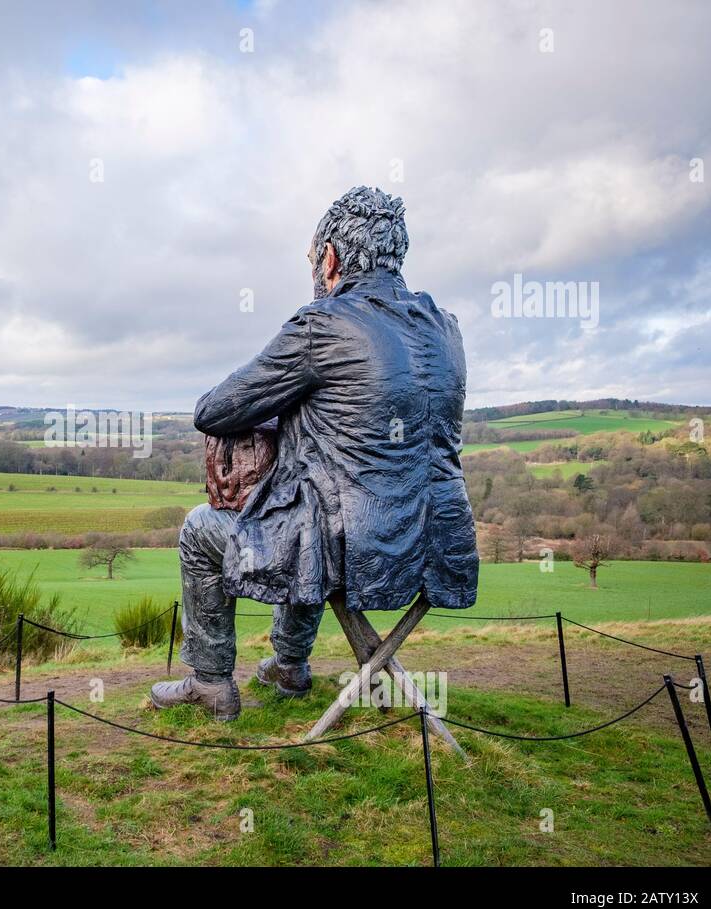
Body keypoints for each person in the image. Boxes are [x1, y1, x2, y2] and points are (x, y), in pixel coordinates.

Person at [151, 186, 479, 721]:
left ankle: (209, 682)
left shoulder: (321, 325)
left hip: (351, 548)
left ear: (329, 257)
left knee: (205, 529)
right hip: (440, 542)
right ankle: (289, 665)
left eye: (314, 259)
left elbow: (214, 410)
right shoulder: (446, 327)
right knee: (302, 502)